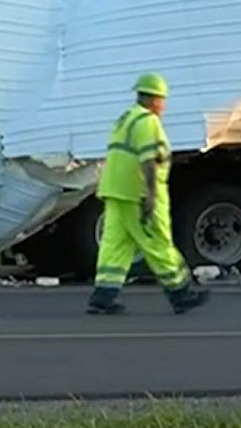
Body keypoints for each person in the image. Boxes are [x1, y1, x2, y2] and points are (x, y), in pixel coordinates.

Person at [86, 72, 208, 315]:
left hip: (115, 190)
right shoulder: (147, 122)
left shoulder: (125, 119)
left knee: (115, 244)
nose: (163, 106)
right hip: (136, 194)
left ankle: (103, 296)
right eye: (162, 100)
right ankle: (181, 293)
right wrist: (150, 197)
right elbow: (149, 162)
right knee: (157, 242)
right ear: (154, 98)